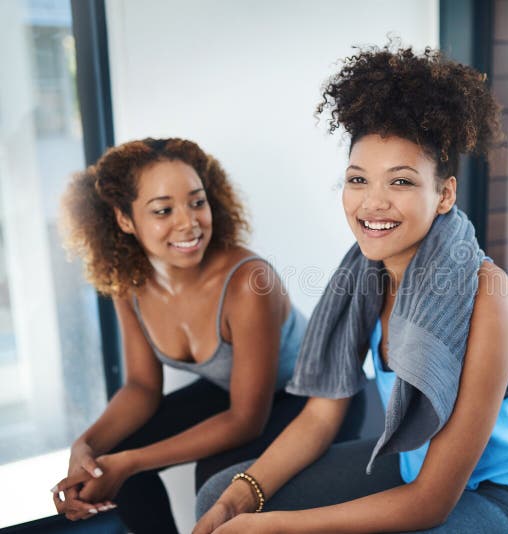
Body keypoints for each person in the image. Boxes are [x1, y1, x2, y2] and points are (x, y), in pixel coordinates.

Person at [194, 45, 508, 533]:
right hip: (413, 462)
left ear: (445, 195)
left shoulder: (488, 300)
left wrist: (279, 526)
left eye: (401, 182)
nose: (373, 202)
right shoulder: (365, 276)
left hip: (507, 494)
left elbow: (431, 502)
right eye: (358, 179)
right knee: (215, 495)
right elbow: (320, 419)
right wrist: (241, 498)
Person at [51, 138, 364, 533]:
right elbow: (142, 387)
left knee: (213, 486)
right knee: (108, 458)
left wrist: (131, 461)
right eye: (164, 210)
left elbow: (246, 420)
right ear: (125, 219)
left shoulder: (249, 281)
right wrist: (87, 446)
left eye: (197, 202)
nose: (188, 222)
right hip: (235, 390)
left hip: (311, 399)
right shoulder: (129, 285)